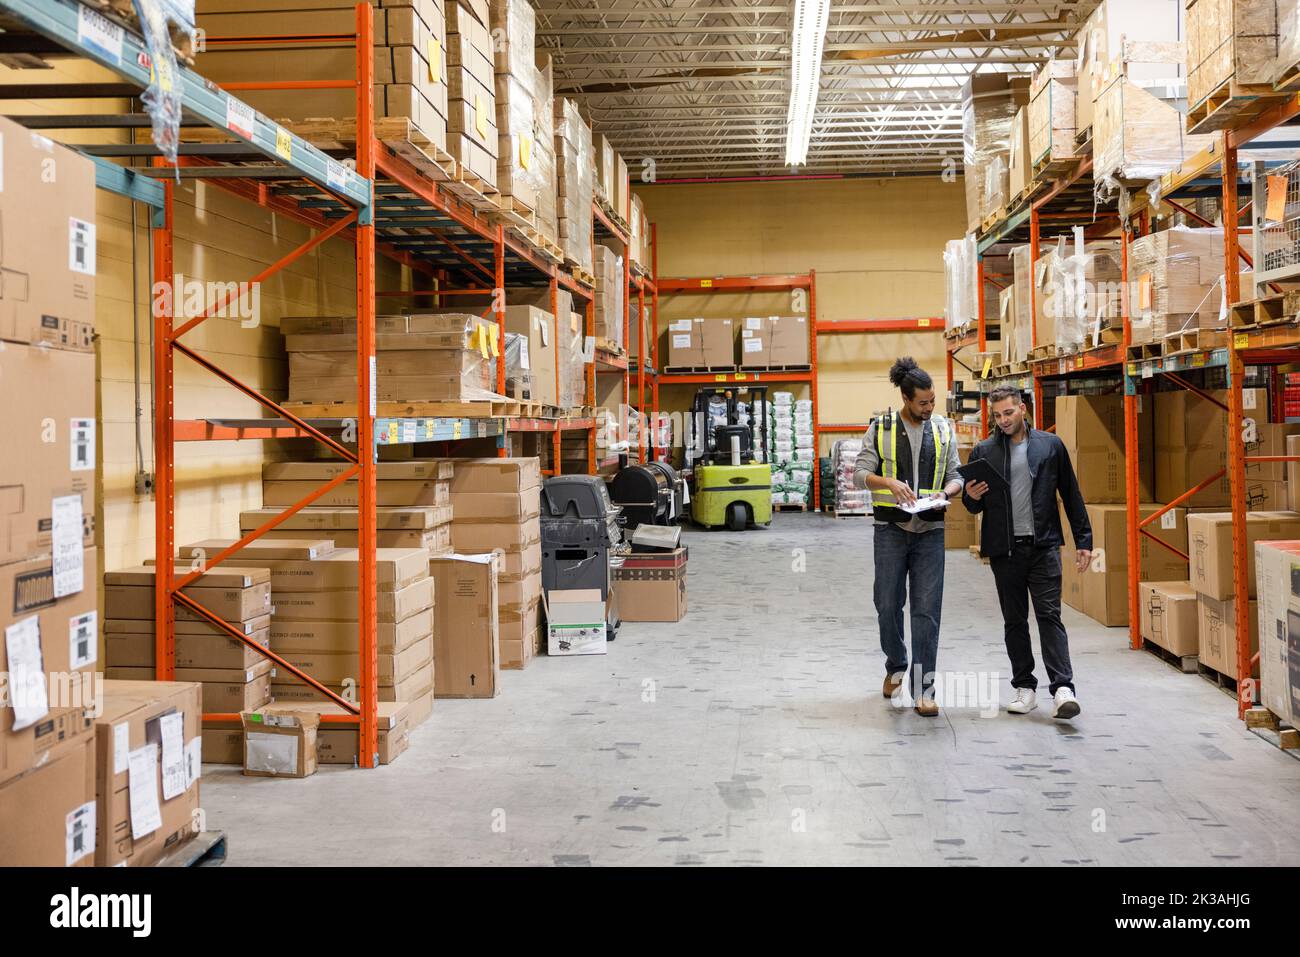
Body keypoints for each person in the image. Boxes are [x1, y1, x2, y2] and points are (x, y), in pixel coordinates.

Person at [962, 387, 1092, 720]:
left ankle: (1063, 689)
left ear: (1022, 409)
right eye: (997, 416)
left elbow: (1071, 495)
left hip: (1044, 547)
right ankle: (1025, 687)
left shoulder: (1050, 446)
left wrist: (1084, 540)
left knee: (1050, 617)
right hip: (1005, 552)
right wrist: (972, 495)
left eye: (1008, 413)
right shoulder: (984, 451)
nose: (1003, 421)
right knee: (1014, 622)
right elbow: (971, 504)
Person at [854, 357, 964, 716]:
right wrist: (886, 482)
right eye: (922, 403)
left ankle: (924, 689)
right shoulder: (881, 428)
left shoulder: (943, 429)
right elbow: (859, 473)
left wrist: (946, 493)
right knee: (887, 604)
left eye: (932, 401)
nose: (929, 408)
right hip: (890, 530)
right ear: (905, 398)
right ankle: (896, 664)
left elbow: (956, 474)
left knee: (927, 610)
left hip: (930, 531)